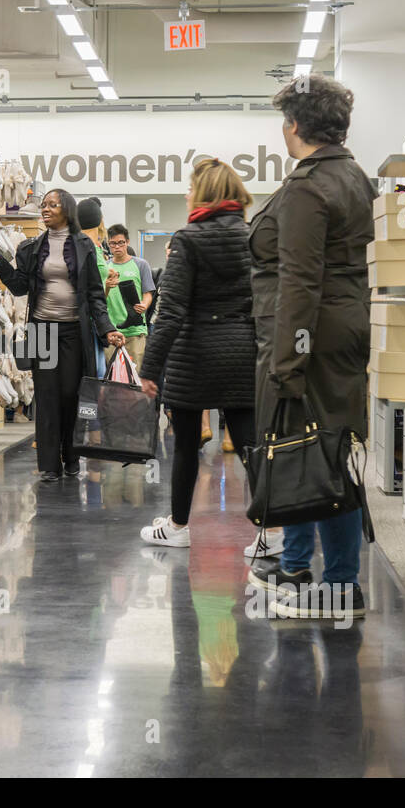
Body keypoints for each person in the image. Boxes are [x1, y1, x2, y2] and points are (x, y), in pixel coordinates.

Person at [247, 74, 375, 617]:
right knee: (321, 448)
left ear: (295, 126)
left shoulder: (307, 186)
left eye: (285, 121)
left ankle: (340, 584)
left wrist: (288, 361)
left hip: (310, 334)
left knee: (317, 452)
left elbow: (300, 279)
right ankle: (299, 569)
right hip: (341, 326)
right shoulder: (354, 178)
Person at [138, 157, 257, 548]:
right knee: (249, 444)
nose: (187, 194)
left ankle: (178, 527)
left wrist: (150, 366)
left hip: (195, 355)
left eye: (191, 188)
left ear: (205, 192)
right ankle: (272, 532)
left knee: (187, 444)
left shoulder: (188, 239)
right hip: (242, 351)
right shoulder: (251, 235)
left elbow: (170, 310)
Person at [0, 189, 123, 482]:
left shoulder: (85, 246)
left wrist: (107, 328)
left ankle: (72, 458)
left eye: (52, 205)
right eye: (43, 205)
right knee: (46, 396)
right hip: (41, 330)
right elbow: (21, 287)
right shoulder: (31, 247)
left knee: (71, 394)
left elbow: (96, 296)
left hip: (74, 330)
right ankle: (49, 465)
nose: (45, 209)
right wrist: (4, 267)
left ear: (67, 210)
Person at [99, 224, 155, 367]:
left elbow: (148, 293)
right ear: (108, 245)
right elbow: (99, 300)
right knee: (112, 379)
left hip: (135, 332)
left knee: (134, 380)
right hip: (112, 332)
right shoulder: (104, 268)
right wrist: (107, 287)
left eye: (121, 243)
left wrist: (144, 304)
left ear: (127, 242)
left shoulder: (141, 265)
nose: (117, 247)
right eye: (113, 243)